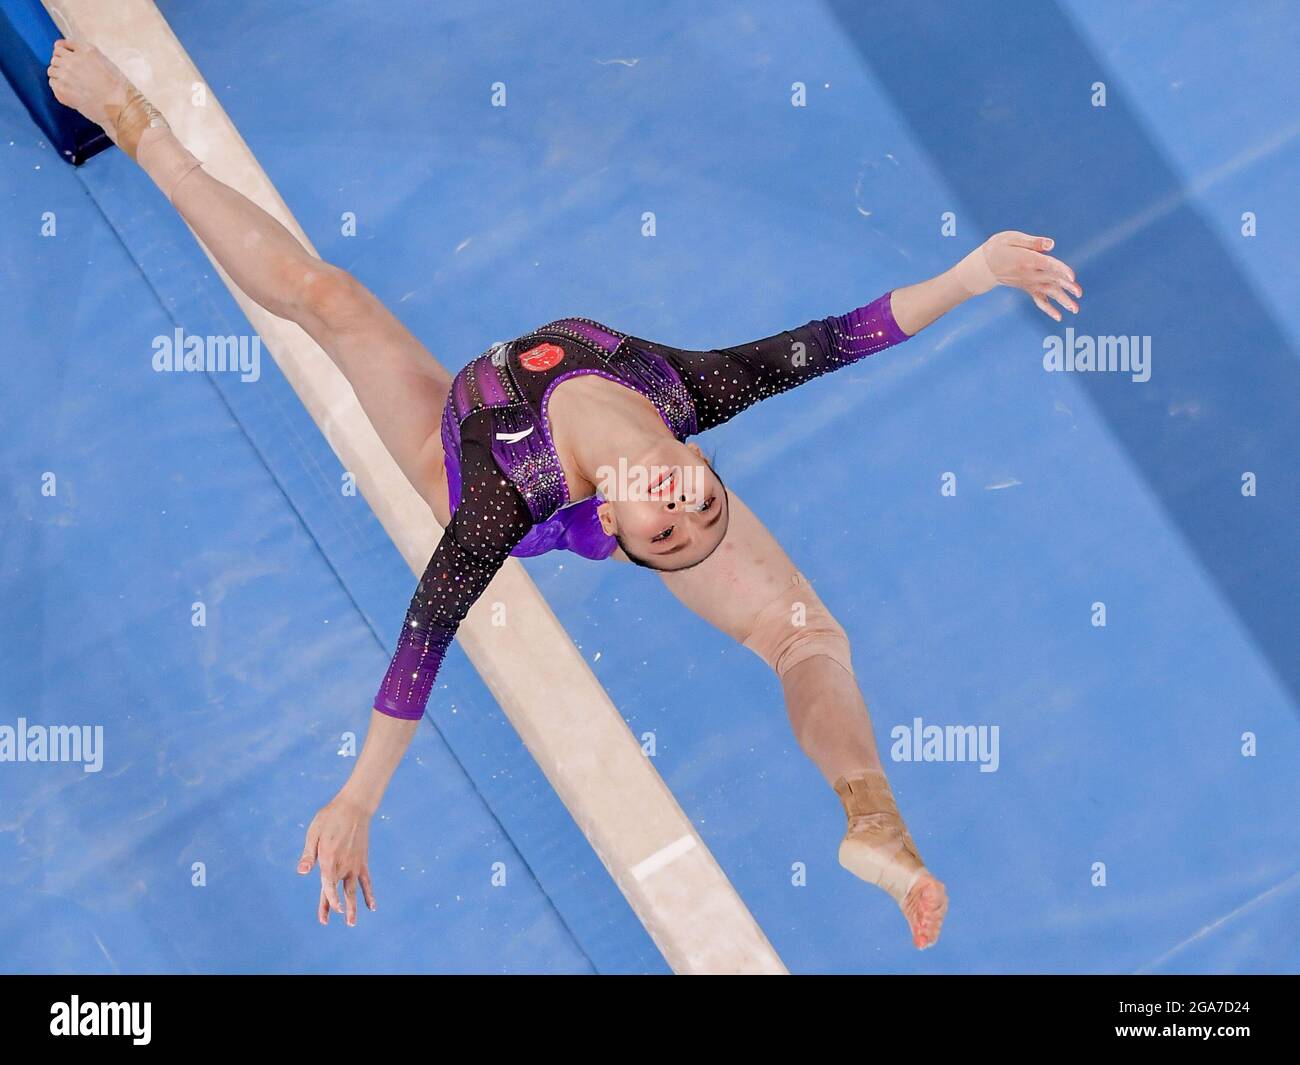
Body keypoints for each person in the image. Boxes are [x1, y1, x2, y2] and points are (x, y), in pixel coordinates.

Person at [47, 39, 1082, 952]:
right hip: (553, 423)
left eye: (663, 534)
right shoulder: (691, 391)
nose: (677, 508)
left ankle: (136, 130)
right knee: (812, 633)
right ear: (702, 464)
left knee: (329, 302)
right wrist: (976, 271)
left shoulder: (503, 497)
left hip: (458, 441)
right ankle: (874, 819)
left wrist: (359, 799)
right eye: (699, 508)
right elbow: (841, 337)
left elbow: (426, 634)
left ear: (619, 531)